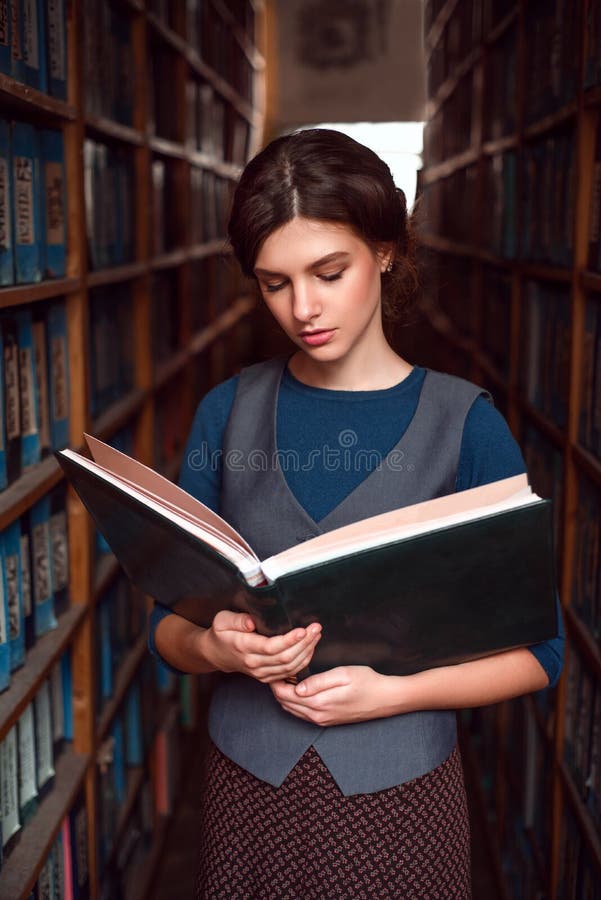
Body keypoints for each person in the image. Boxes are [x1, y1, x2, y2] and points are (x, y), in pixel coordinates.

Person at [149, 128, 565, 899]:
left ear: (384, 250)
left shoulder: (464, 425)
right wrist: (215, 649)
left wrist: (395, 693)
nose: (303, 307)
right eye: (274, 283)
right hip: (248, 791)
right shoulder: (226, 413)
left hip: (400, 792)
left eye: (328, 272)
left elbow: (540, 656)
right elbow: (165, 632)